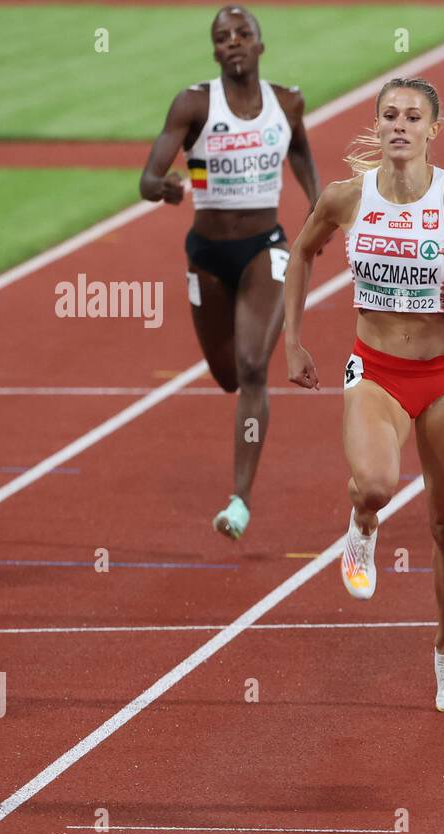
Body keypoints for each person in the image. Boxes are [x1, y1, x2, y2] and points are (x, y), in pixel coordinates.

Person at [283, 77, 444, 712]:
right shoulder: (346, 198)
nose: (400, 124)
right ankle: (362, 523)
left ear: (433, 130)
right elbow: (301, 255)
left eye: (412, 116)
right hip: (376, 371)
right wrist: (292, 340)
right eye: (389, 114)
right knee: (373, 483)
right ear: (377, 126)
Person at [139, 4, 322, 539]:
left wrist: (317, 206)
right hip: (207, 254)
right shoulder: (194, 104)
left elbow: (302, 152)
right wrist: (164, 187)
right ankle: (241, 468)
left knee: (252, 366)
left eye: (244, 33)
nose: (234, 42)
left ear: (260, 45)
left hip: (266, 247)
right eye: (224, 37)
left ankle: (239, 500)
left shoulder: (287, 102)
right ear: (215, 50)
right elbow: (148, 178)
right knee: (226, 375)